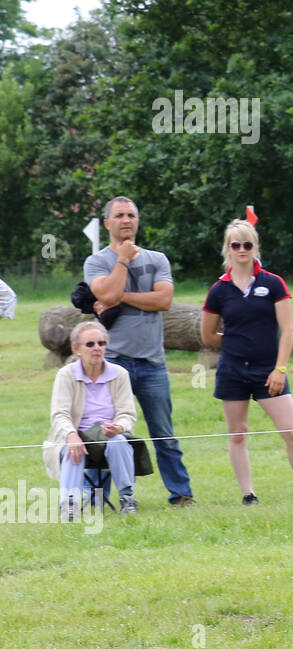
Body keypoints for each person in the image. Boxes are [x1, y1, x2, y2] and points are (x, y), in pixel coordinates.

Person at [200, 219, 293, 504]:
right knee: (238, 435)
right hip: (232, 370)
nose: (242, 249)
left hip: (269, 370)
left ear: (255, 247)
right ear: (228, 249)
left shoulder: (272, 283)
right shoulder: (218, 290)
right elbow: (208, 335)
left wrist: (280, 369)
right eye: (236, 244)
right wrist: (237, 344)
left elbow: (288, 330)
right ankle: (248, 495)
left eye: (247, 244)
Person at [85, 196, 196, 506]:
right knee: (104, 434)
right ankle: (98, 498)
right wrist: (121, 261)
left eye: (131, 215)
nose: (126, 220)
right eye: (119, 215)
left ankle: (181, 493)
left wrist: (121, 296)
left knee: (164, 434)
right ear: (107, 223)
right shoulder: (95, 262)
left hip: (152, 364)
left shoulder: (157, 258)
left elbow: (163, 301)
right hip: (111, 364)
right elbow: (106, 292)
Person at [45, 320, 140, 517]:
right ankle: (69, 504)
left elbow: (128, 413)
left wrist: (119, 427)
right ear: (77, 349)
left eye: (101, 343)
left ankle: (127, 498)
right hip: (77, 433)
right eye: (90, 344)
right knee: (74, 448)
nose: (97, 348)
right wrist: (71, 435)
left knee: (119, 443)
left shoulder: (120, 374)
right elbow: (59, 413)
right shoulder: (65, 375)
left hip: (108, 434)